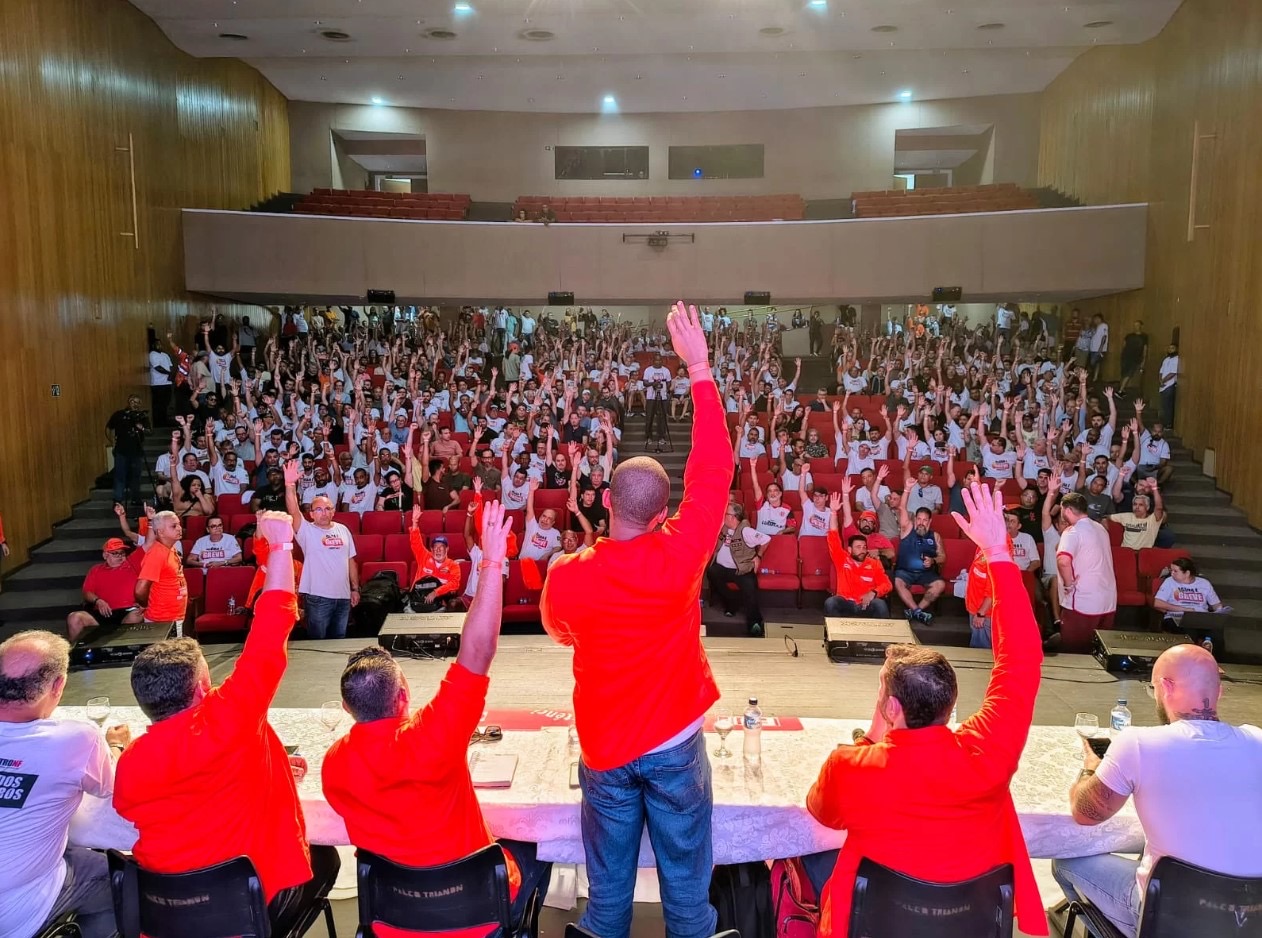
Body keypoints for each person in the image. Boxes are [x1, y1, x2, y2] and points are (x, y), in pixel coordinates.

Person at [541, 302, 724, 938]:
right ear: (659, 514)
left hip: (605, 751)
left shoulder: (569, 575)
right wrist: (698, 368)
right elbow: (714, 472)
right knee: (687, 896)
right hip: (674, 746)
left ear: (608, 501)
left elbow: (558, 629)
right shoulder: (680, 552)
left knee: (609, 896)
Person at [804, 481, 1047, 937]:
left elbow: (821, 812)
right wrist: (998, 551)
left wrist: (876, 735)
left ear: (891, 706)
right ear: (950, 704)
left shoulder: (852, 766)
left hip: (872, 924)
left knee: (805, 853)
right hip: (968, 923)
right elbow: (1024, 658)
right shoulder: (989, 750)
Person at [323, 501, 553, 933]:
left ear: (346, 709)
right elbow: (477, 652)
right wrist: (493, 561)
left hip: (391, 920)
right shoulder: (434, 735)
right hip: (478, 917)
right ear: (405, 696)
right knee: (535, 837)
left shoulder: (334, 763)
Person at [114, 511, 340, 935]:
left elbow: (180, 793)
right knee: (326, 855)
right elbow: (271, 626)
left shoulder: (130, 761)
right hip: (249, 911)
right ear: (202, 688)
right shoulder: (229, 716)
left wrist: (269, 766)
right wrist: (279, 547)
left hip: (167, 920)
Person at [1052, 643, 1262, 937]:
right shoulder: (1257, 740)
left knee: (1065, 859)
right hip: (1250, 918)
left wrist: (1091, 768)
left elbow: (1085, 814)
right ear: (1219, 691)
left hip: (1169, 918)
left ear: (1164, 686)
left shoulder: (1138, 742)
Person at [0, 630, 131, 938]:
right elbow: (108, 787)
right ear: (58, 685)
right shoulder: (76, 738)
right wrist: (116, 746)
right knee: (124, 879)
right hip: (19, 910)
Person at [283, 459, 359, 639]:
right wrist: (289, 485)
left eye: (328, 509)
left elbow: (351, 561)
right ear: (311, 513)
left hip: (343, 597)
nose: (324, 512)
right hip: (317, 598)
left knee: (338, 643)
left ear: (333, 511)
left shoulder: (343, 529)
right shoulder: (306, 530)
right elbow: (293, 510)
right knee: (317, 646)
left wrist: (355, 589)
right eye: (318, 509)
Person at [1056, 492, 1117, 652]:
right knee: (1099, 652)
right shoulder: (1100, 528)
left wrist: (1069, 585)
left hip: (1083, 602)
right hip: (1107, 599)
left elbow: (1063, 560)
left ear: (1067, 509)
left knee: (1074, 652)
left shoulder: (1072, 532)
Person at [705, 502, 770, 637]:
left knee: (750, 590)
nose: (724, 516)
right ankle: (732, 601)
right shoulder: (723, 528)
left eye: (726, 514)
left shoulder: (746, 531)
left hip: (741, 569)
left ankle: (754, 623)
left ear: (733, 517)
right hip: (723, 568)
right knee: (712, 572)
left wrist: (758, 556)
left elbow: (766, 539)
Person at [823, 493, 891, 619]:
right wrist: (833, 513)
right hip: (846, 603)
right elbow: (833, 536)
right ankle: (837, 638)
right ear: (849, 550)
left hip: (866, 604)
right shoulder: (842, 558)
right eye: (858, 547)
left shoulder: (874, 563)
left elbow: (886, 584)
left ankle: (880, 638)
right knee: (831, 602)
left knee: (880, 605)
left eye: (864, 547)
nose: (862, 550)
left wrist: (873, 593)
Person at [67, 535, 146, 644]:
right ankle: (73, 653)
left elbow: (149, 543)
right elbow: (87, 592)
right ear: (105, 555)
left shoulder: (132, 564)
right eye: (115, 553)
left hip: (127, 611)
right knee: (74, 617)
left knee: (136, 615)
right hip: (102, 613)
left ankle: (120, 646)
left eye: (122, 553)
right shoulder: (95, 570)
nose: (120, 556)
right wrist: (98, 601)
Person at [892, 499, 947, 625]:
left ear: (930, 521)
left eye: (925, 520)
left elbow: (942, 556)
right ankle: (917, 611)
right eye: (919, 519)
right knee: (898, 582)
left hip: (926, 573)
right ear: (915, 519)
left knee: (940, 585)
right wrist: (907, 489)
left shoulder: (935, 536)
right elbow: (902, 507)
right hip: (905, 571)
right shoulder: (907, 530)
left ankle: (916, 611)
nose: (921, 523)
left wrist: (933, 560)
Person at [135, 510, 188, 637]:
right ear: (160, 532)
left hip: (173, 617)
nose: (179, 528)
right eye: (174, 526)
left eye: (179, 524)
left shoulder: (171, 549)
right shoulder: (156, 554)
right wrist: (144, 605)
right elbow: (140, 589)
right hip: (162, 620)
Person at [407, 506, 461, 613]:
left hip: (438, 604)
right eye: (435, 547)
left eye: (441, 547)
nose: (438, 550)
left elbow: (455, 583)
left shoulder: (453, 565)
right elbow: (415, 543)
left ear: (447, 550)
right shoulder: (425, 557)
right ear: (431, 549)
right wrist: (414, 523)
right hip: (417, 602)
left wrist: (436, 592)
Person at [1152, 557, 1226, 631]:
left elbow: (1216, 604)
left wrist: (1220, 611)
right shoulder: (1169, 581)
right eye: (1171, 570)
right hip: (1177, 617)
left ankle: (1208, 642)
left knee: (1216, 629)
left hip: (1200, 617)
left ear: (1187, 573)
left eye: (1175, 571)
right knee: (1189, 629)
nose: (1172, 573)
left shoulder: (1204, 583)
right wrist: (1185, 610)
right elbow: (1158, 603)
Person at [106, 394, 150, 506]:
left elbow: (149, 431)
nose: (136, 404)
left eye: (138, 402)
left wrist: (142, 428)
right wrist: (112, 443)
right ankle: (118, 500)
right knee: (120, 475)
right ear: (129, 402)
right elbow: (109, 428)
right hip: (121, 450)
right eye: (133, 401)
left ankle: (136, 498)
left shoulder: (142, 416)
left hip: (136, 450)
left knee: (136, 476)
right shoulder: (119, 415)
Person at [1117, 320, 1148, 397]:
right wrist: (1122, 354)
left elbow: (1145, 348)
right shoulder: (1129, 336)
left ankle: (1120, 390)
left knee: (1129, 373)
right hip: (1126, 356)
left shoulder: (1144, 336)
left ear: (1141, 326)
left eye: (1138, 325)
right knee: (1124, 373)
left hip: (1135, 357)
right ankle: (1122, 388)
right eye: (1135, 325)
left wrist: (1143, 360)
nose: (1136, 327)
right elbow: (1124, 345)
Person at [1158, 342, 1179, 428]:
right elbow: (1161, 371)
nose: (1170, 350)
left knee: (1168, 406)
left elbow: (1173, 372)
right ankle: (1165, 422)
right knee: (1164, 405)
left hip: (1170, 385)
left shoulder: (1177, 359)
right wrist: (1160, 381)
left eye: (1173, 348)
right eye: (1169, 348)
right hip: (1163, 386)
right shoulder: (1166, 359)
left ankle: (1169, 424)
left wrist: (1163, 381)